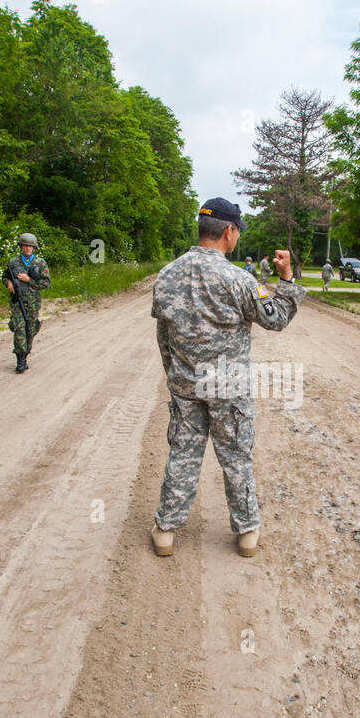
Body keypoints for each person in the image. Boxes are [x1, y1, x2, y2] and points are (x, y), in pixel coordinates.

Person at [151, 197, 305, 559]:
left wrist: (175, 373)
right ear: (229, 232)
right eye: (237, 231)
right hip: (228, 386)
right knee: (236, 457)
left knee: (183, 455)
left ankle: (166, 532)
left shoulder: (167, 274)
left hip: (186, 384)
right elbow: (277, 318)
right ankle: (247, 534)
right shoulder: (241, 280)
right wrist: (287, 279)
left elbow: (164, 334)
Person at [3, 232, 51, 373]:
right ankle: (20, 359)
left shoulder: (40, 263)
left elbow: (46, 283)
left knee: (30, 330)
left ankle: (26, 353)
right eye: (25, 246)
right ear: (21, 247)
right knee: (19, 328)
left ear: (34, 248)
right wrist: (9, 283)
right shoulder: (13, 262)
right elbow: (4, 277)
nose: (28, 248)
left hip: (33, 303)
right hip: (17, 302)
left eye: (30, 246)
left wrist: (29, 280)